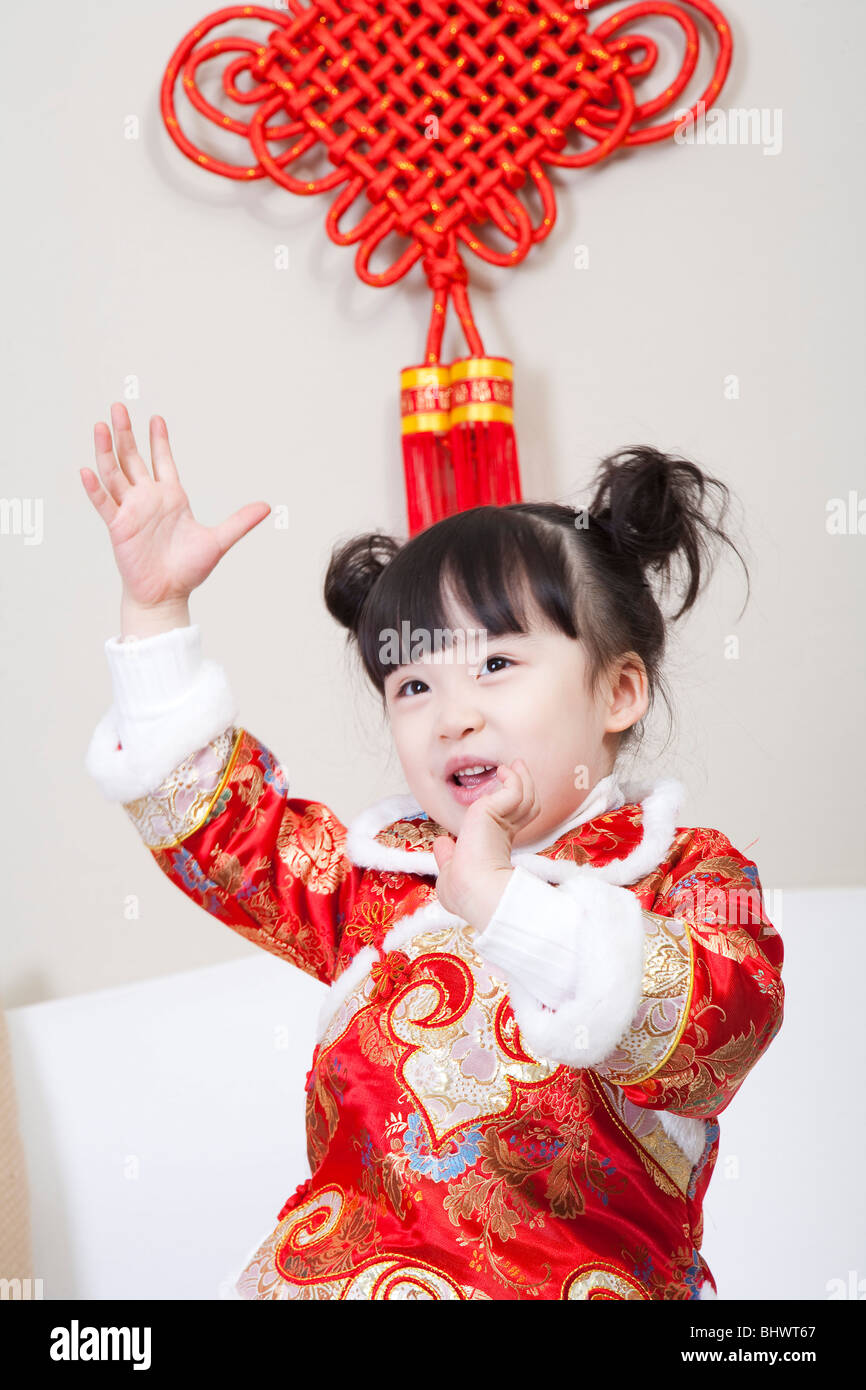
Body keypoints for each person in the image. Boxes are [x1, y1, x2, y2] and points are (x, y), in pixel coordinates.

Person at [80, 401, 784, 1301]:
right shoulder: (381, 882)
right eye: (414, 683)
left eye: (496, 665)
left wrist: (508, 908)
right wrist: (156, 612)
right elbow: (221, 831)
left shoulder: (684, 874)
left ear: (618, 690)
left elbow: (725, 1026)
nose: (453, 715)